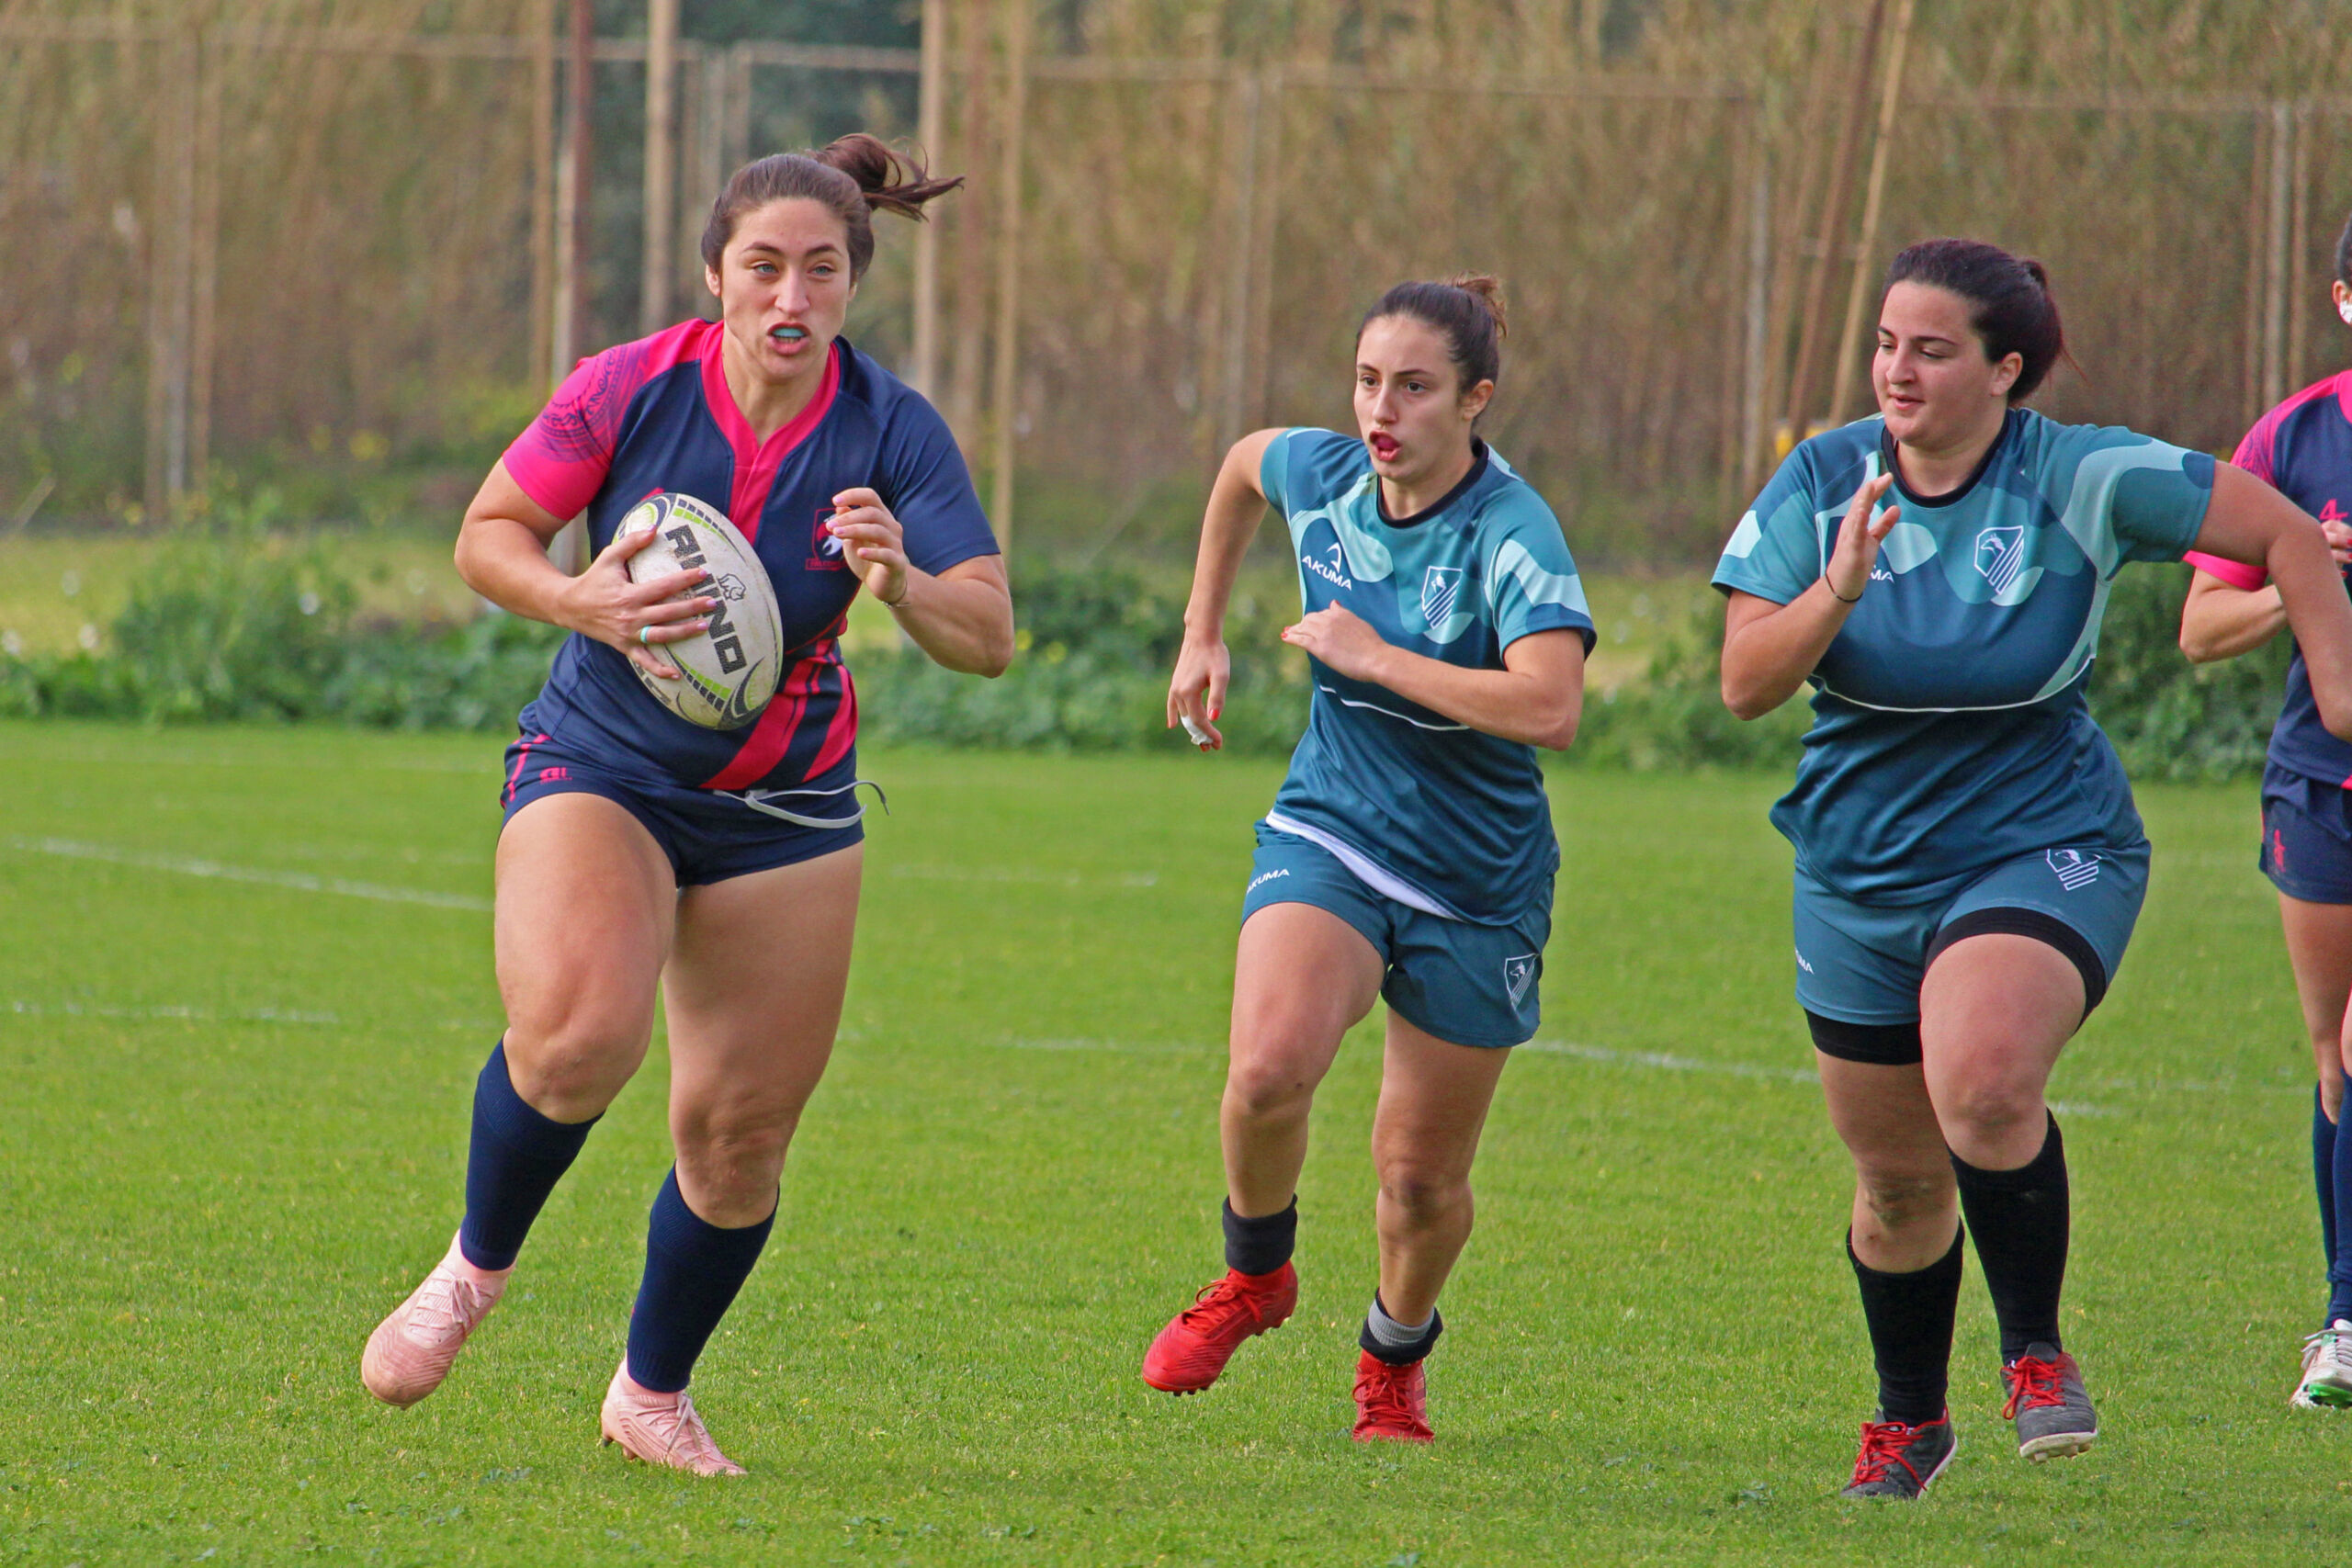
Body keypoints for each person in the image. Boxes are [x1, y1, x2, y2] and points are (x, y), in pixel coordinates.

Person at [359, 136, 1012, 1475]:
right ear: (716, 271)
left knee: (740, 1134)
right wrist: (576, 596)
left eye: (821, 270)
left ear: (849, 286)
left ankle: (650, 1391)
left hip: (786, 805)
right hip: (602, 760)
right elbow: (490, 533)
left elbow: (992, 633)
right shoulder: (626, 386)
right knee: (577, 1033)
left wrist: (900, 581)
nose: (792, 292)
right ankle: (474, 1268)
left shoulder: (893, 428)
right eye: (764, 264)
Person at [1714, 237, 2352, 1499]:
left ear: (2006, 370)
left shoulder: (2079, 471)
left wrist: (2339, 696)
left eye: (1932, 348)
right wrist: (1836, 585)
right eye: (1889, 343)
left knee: (1986, 1078)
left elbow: (2281, 529)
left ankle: (2035, 1347)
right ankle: (1910, 1419)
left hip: (2041, 835)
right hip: (1859, 865)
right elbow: (1745, 681)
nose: (1898, 369)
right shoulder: (1822, 477)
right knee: (1896, 1181)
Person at [1147, 275, 1591, 1442]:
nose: (1379, 410)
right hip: (1335, 824)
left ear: (1475, 399)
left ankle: (1393, 1351)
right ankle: (1255, 1274)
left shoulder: (1511, 532)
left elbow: (1551, 706)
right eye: (1364, 380)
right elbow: (1244, 464)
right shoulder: (1329, 475)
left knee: (1417, 1182)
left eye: (1413, 387)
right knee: (1266, 1071)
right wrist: (1202, 631)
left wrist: (1374, 656)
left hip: (1477, 879)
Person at [2177, 210, 2352, 1410]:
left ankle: (2344, 1319)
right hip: (2320, 783)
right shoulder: (2293, 439)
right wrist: (2308, 577)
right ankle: (2342, 1313)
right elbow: (2199, 629)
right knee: (2334, 1055)